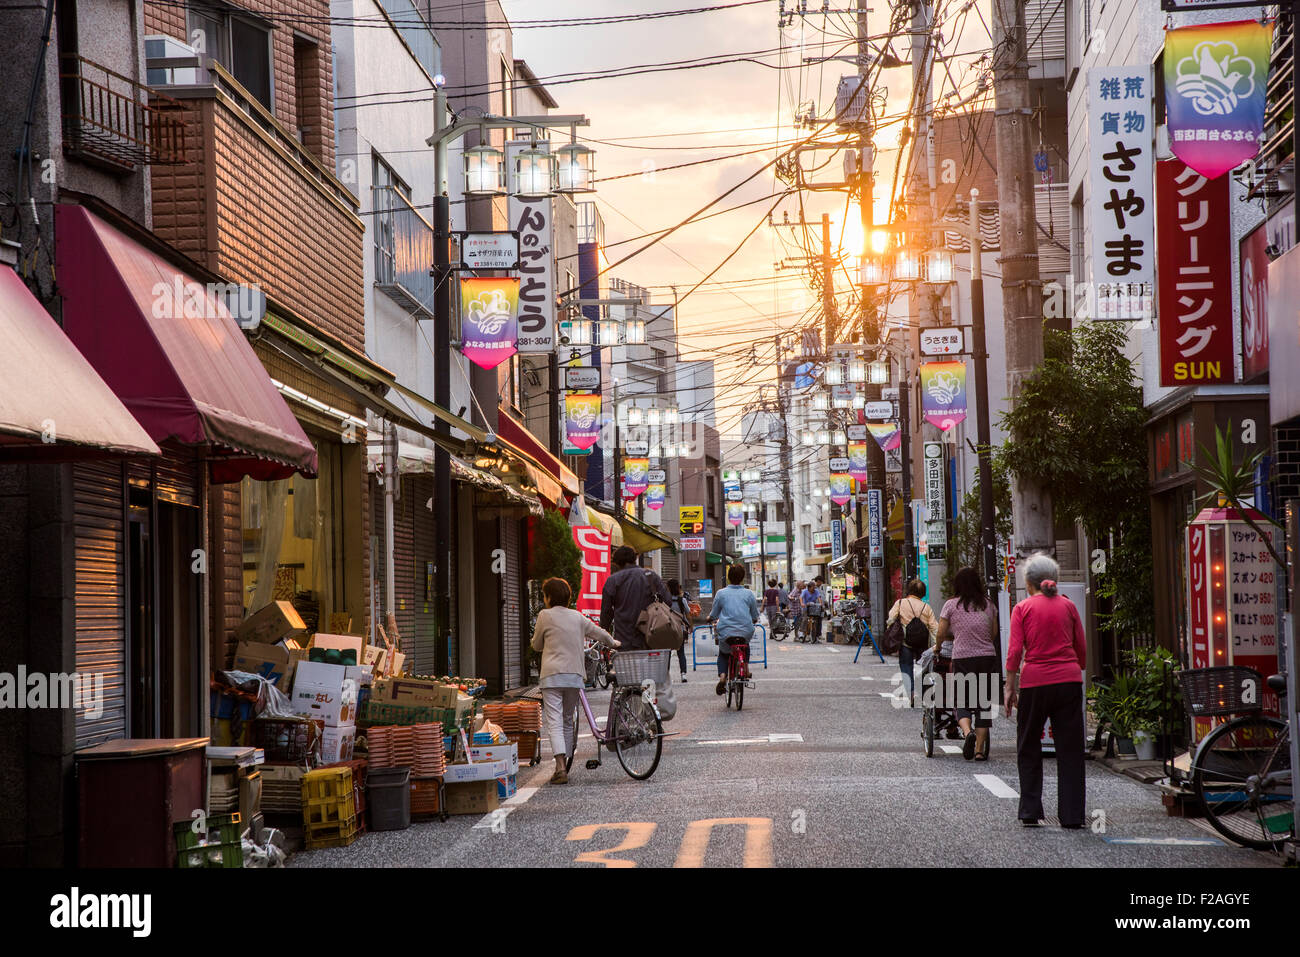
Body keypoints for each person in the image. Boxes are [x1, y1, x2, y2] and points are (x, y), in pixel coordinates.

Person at [1006, 553, 1087, 829]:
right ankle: (1072, 814)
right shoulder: (1068, 606)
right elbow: (1081, 647)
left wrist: (1009, 686)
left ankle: (1030, 809)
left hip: (1035, 682)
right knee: (1071, 748)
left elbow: (1016, 650)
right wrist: (1078, 668)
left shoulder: (1023, 608)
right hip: (1068, 681)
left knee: (1028, 744)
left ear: (1029, 583)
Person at [531, 577, 619, 784]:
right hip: (574, 675)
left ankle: (560, 766)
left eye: (544, 595)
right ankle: (566, 762)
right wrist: (613, 642)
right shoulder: (577, 616)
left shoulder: (545, 615)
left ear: (549, 597)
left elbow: (536, 645)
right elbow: (600, 633)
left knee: (554, 720)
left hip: (551, 675)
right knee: (567, 718)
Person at [937, 567, 1001, 761]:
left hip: (962, 658)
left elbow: (941, 633)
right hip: (987, 658)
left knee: (962, 701)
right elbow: (993, 633)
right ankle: (980, 751)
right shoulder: (988, 605)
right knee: (983, 704)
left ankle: (967, 733)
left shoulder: (950, 605)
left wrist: (937, 647)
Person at [599, 545, 672, 651]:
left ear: (617, 562)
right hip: (652, 638)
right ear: (635, 558)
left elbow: (606, 612)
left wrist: (604, 635)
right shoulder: (651, 576)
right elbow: (668, 601)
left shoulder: (613, 581)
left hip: (624, 640)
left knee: (628, 667)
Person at [709, 564, 759, 694]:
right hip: (745, 630)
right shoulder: (749, 594)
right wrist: (753, 620)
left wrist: (710, 618)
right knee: (745, 645)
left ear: (729, 578)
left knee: (724, 653)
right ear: (742, 578)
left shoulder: (721, 593)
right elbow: (755, 615)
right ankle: (746, 670)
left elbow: (714, 614)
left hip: (726, 631)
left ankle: (723, 676)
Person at [886, 579, 937, 706]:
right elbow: (934, 627)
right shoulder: (926, 607)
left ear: (909, 590)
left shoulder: (901, 603)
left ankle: (912, 693)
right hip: (922, 643)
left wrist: (892, 629)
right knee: (924, 668)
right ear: (923, 593)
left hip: (905, 642)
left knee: (906, 667)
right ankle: (924, 692)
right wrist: (936, 645)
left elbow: (891, 618)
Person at [666, 578, 692, 682]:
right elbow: (688, 614)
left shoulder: (664, 600)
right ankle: (683, 674)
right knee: (681, 652)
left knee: (667, 652)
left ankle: (666, 674)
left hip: (667, 629)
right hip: (680, 629)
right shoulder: (682, 600)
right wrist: (691, 626)